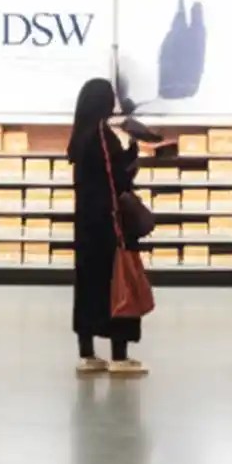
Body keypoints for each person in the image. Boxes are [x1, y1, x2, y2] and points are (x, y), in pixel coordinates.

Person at [66, 78, 146, 376]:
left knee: (88, 286)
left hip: (86, 224)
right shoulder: (101, 133)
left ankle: (87, 355)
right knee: (118, 284)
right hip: (108, 224)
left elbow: (100, 173)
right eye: (110, 96)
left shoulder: (81, 134)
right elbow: (114, 178)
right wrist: (134, 156)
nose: (114, 101)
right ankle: (119, 357)